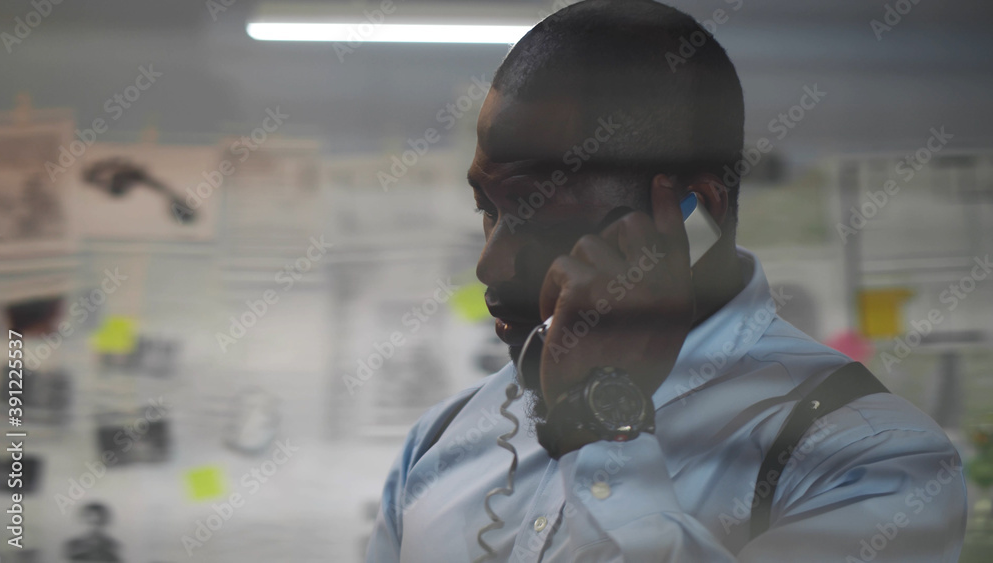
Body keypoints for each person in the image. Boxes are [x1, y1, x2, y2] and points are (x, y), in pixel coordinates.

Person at [366, 1, 967, 561]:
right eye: (489, 210)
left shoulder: (875, 457)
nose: (490, 266)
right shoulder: (439, 440)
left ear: (692, 216)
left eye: (535, 209)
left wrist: (603, 420)